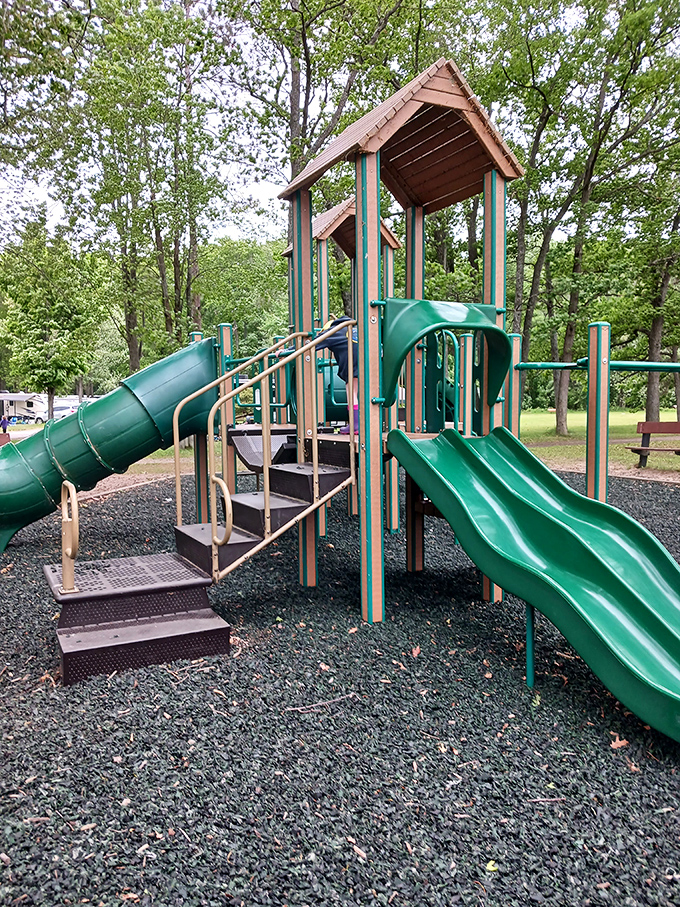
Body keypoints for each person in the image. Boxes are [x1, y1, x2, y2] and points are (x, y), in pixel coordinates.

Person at [316, 315, 358, 434]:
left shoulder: (333, 332)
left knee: (352, 392)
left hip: (353, 364)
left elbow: (311, 343)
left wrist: (287, 351)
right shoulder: (355, 327)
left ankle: (355, 424)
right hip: (373, 361)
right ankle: (367, 423)